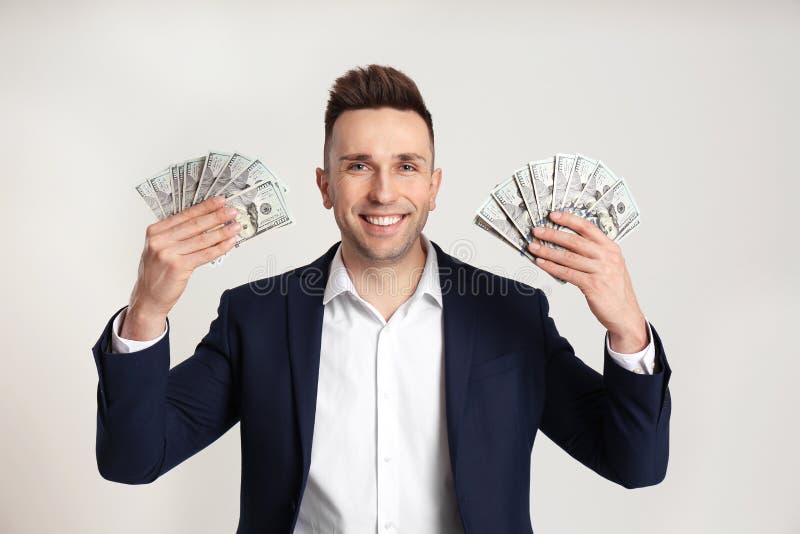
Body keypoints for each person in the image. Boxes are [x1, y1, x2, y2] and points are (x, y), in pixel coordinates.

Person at [92, 65, 672, 534]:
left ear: (433, 187)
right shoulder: (258, 318)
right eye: (358, 166)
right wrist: (147, 310)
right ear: (325, 186)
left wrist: (627, 330)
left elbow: (634, 465)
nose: (384, 191)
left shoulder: (513, 317)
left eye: (406, 166)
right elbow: (133, 460)